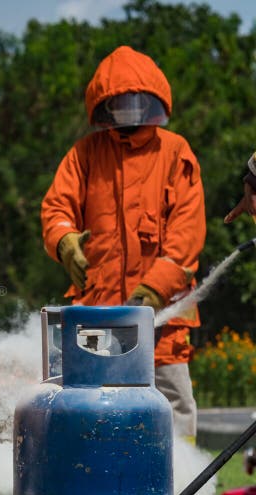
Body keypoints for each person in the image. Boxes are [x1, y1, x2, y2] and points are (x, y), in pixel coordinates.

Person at [41, 46, 206, 441]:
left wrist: (157, 286)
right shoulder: (84, 155)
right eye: (120, 104)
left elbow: (187, 232)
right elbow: (56, 208)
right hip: (97, 315)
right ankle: (97, 491)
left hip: (163, 316)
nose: (130, 113)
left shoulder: (175, 152)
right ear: (103, 106)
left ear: (155, 101)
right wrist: (64, 240)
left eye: (138, 103)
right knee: (91, 409)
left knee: (172, 403)